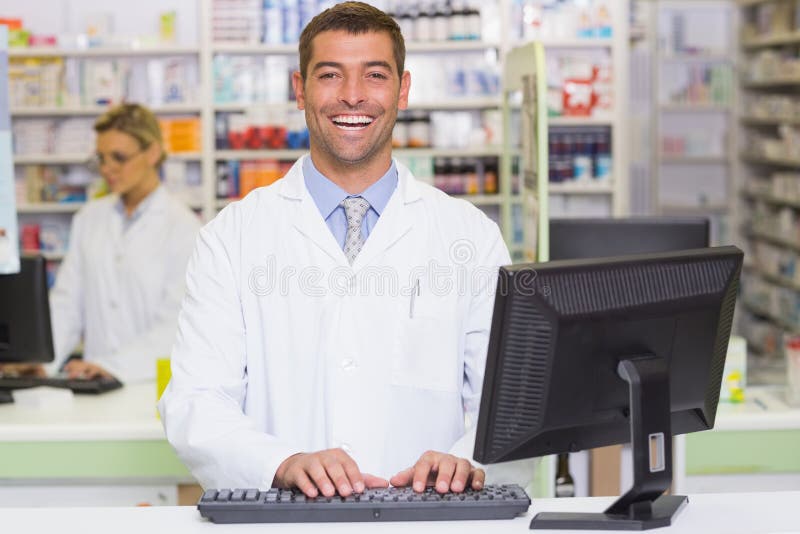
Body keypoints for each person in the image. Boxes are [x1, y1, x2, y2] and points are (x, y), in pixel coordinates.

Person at [159, 2, 532, 498]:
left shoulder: (469, 237)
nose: (352, 96)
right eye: (330, 75)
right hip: (286, 519)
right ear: (300, 90)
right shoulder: (232, 237)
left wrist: (464, 461)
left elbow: (510, 405)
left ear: (402, 89)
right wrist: (282, 463)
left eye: (374, 75)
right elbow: (195, 401)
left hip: (430, 517)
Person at [1, 103, 201, 382]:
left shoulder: (184, 228)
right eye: (102, 159)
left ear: (153, 152)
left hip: (151, 385)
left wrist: (115, 366)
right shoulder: (89, 218)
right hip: (93, 384)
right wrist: (41, 362)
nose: (108, 169)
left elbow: (176, 325)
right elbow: (67, 304)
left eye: (119, 157)